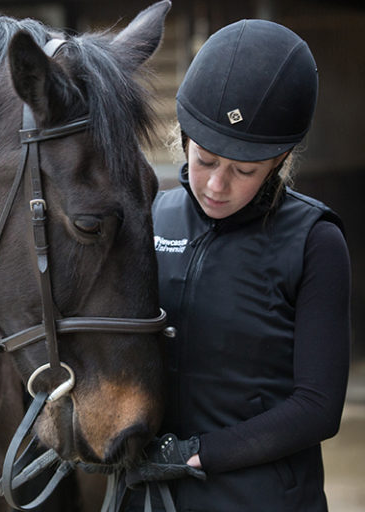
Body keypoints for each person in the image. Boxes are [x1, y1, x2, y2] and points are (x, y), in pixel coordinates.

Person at [123, 18, 351, 511]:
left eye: (244, 170)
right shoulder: (152, 217)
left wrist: (199, 454)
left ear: (279, 161)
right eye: (205, 160)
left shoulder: (315, 241)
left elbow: (318, 407)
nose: (216, 186)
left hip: (261, 496)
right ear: (183, 138)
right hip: (152, 496)